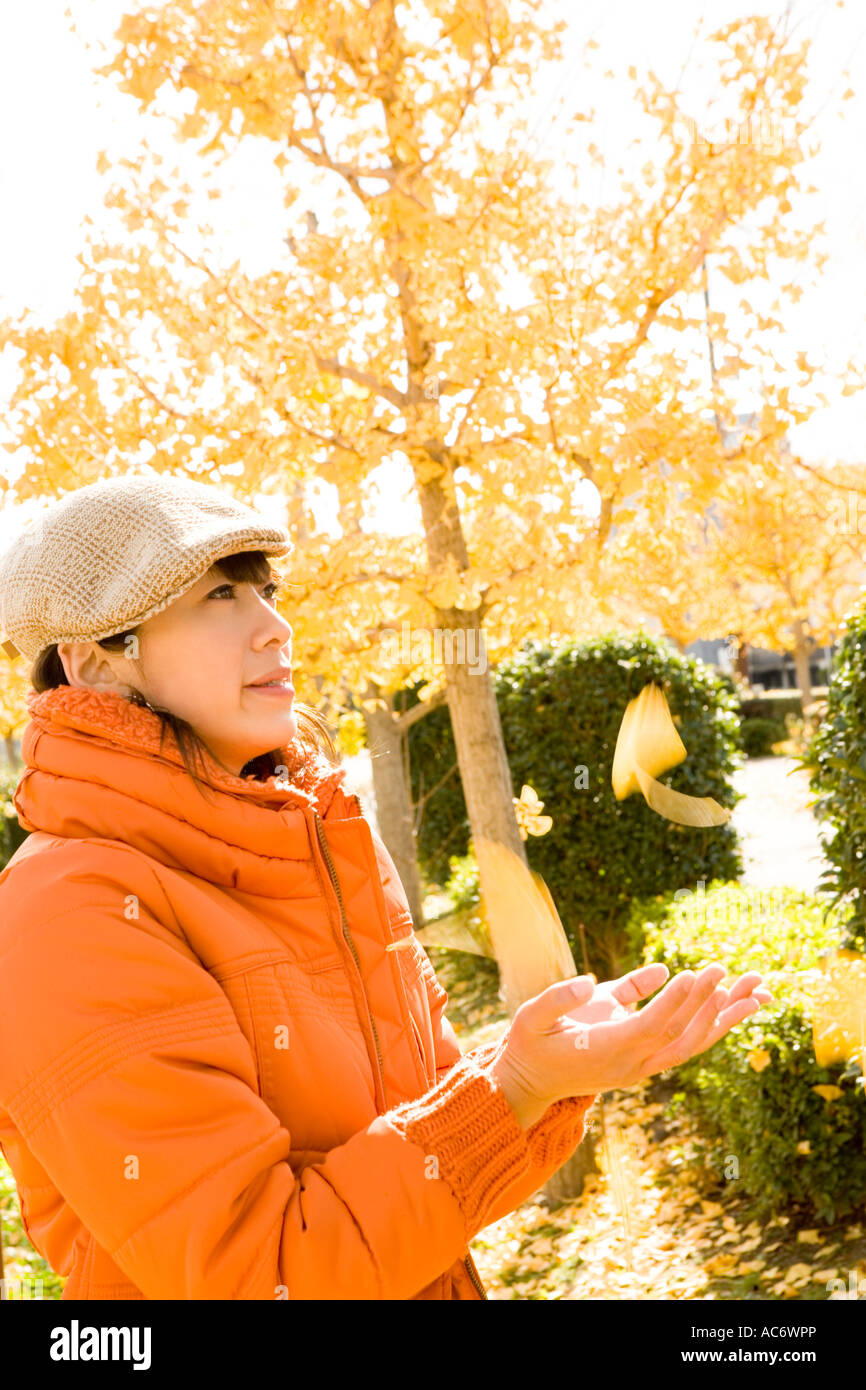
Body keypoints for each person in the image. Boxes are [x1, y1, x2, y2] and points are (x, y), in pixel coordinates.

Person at [0, 472, 771, 1301]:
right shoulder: (66, 914)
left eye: (266, 589)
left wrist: (544, 1071)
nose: (276, 627)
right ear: (94, 664)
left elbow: (414, 1169)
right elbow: (262, 1276)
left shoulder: (312, 844)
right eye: (219, 597)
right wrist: (512, 1086)